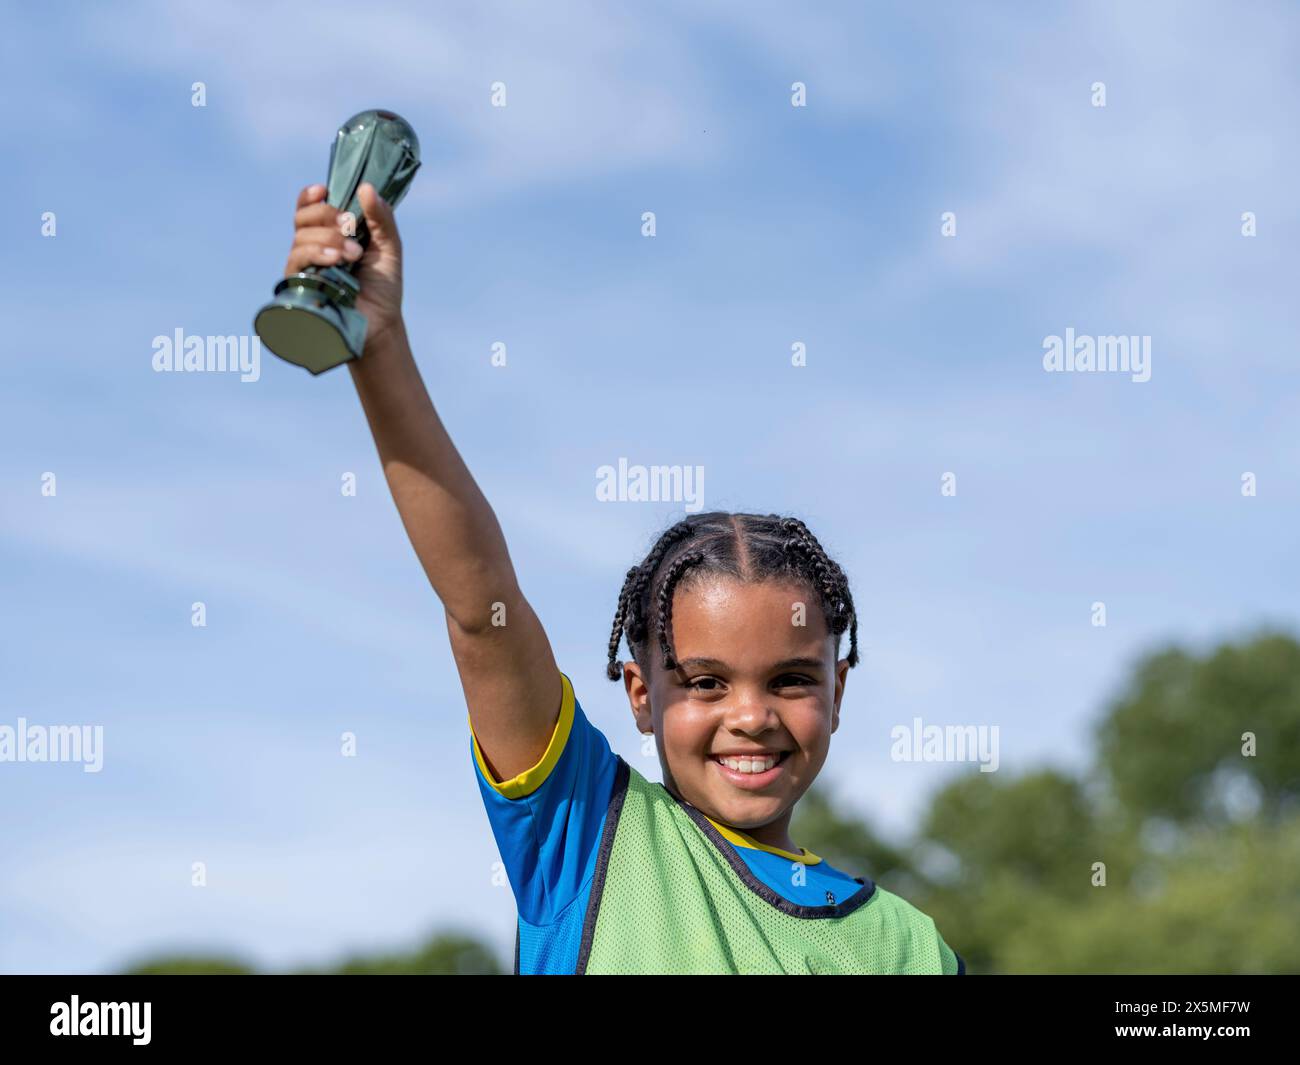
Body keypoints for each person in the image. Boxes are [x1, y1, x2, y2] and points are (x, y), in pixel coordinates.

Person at [281, 181, 966, 974]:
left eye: (788, 679)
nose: (750, 715)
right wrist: (380, 342)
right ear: (641, 694)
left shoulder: (907, 945)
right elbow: (481, 604)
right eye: (705, 682)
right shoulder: (585, 831)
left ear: (839, 691)